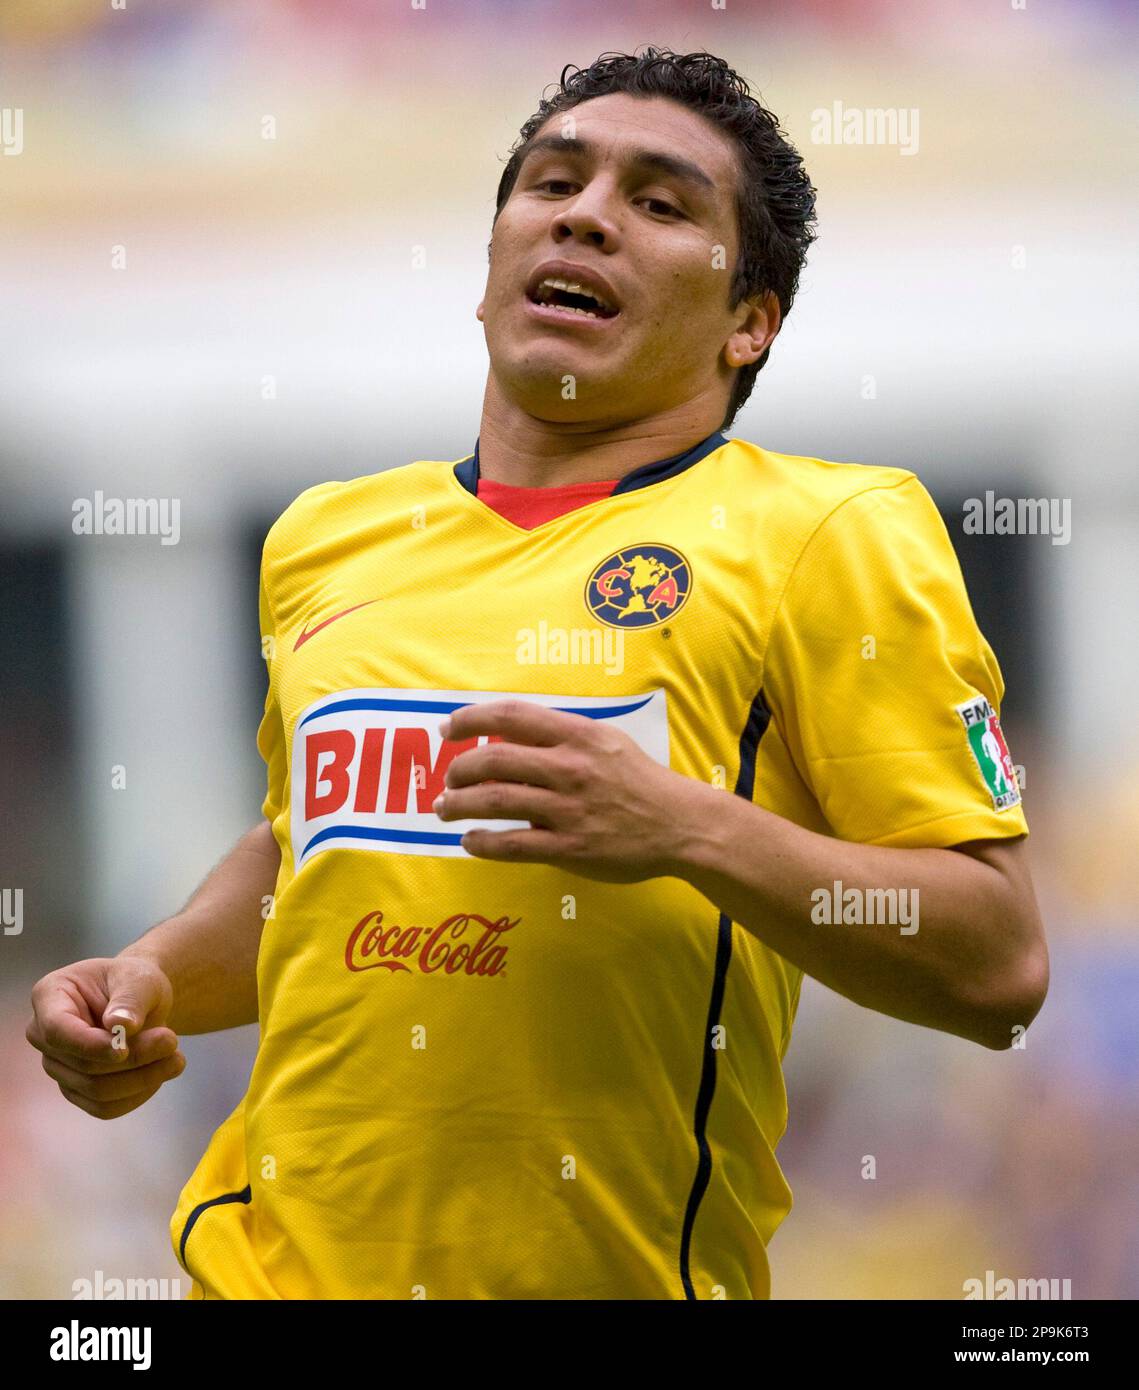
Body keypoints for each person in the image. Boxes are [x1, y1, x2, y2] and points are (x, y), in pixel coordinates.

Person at [26, 47, 1048, 1300]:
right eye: (550, 181)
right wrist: (153, 974)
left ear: (749, 323)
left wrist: (680, 825)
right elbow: (315, 859)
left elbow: (995, 966)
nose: (584, 211)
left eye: (660, 203)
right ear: (494, 265)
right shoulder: (326, 537)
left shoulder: (825, 532)